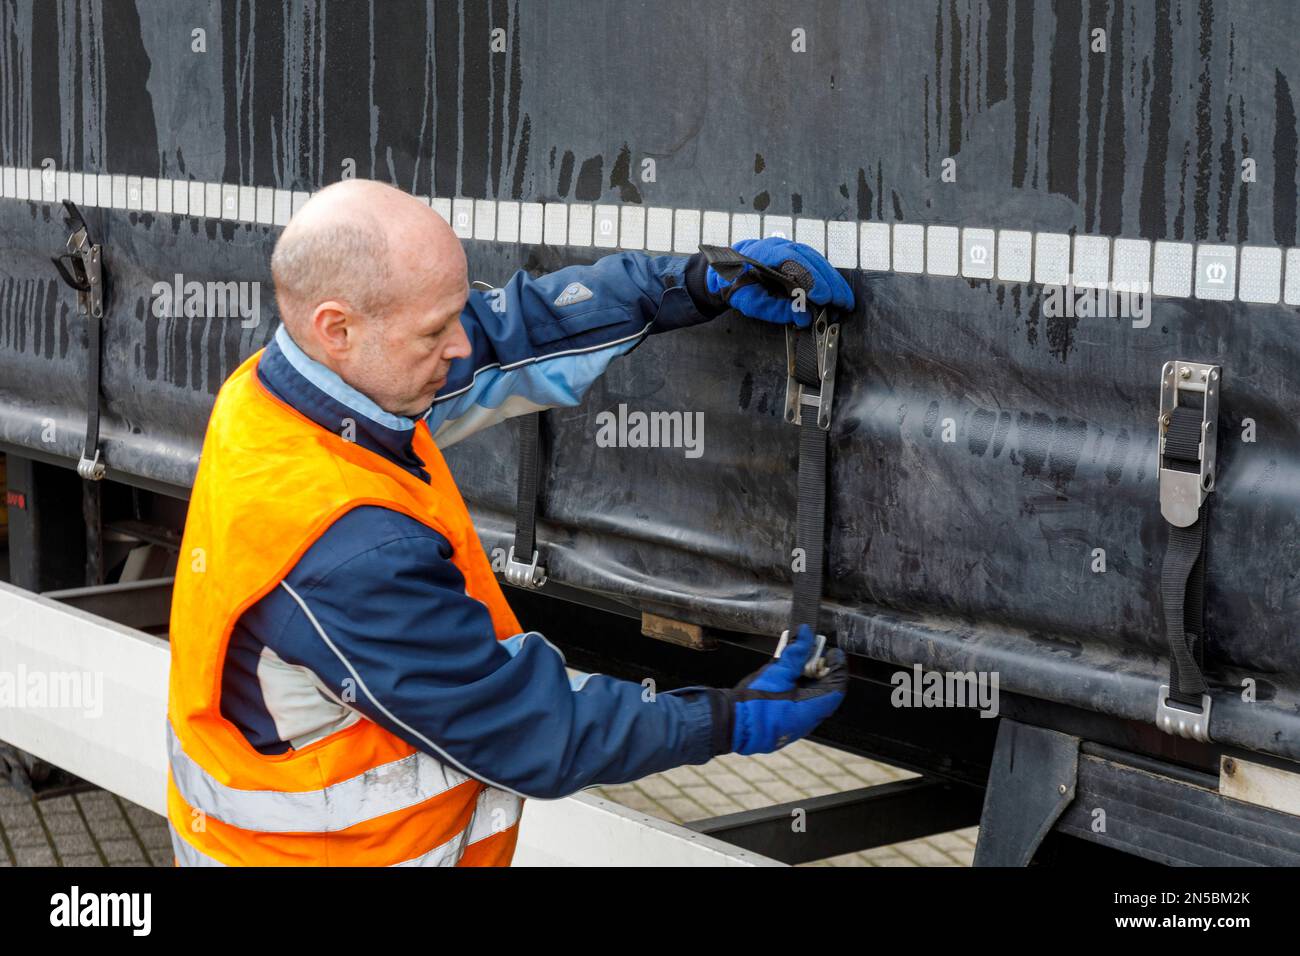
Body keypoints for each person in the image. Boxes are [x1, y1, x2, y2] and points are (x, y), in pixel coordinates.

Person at [166, 178, 853, 866]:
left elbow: (513, 332)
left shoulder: (292, 390)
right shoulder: (345, 546)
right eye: (435, 332)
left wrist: (691, 282)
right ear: (337, 328)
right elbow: (531, 731)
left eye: (453, 318)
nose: (459, 348)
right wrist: (731, 719)